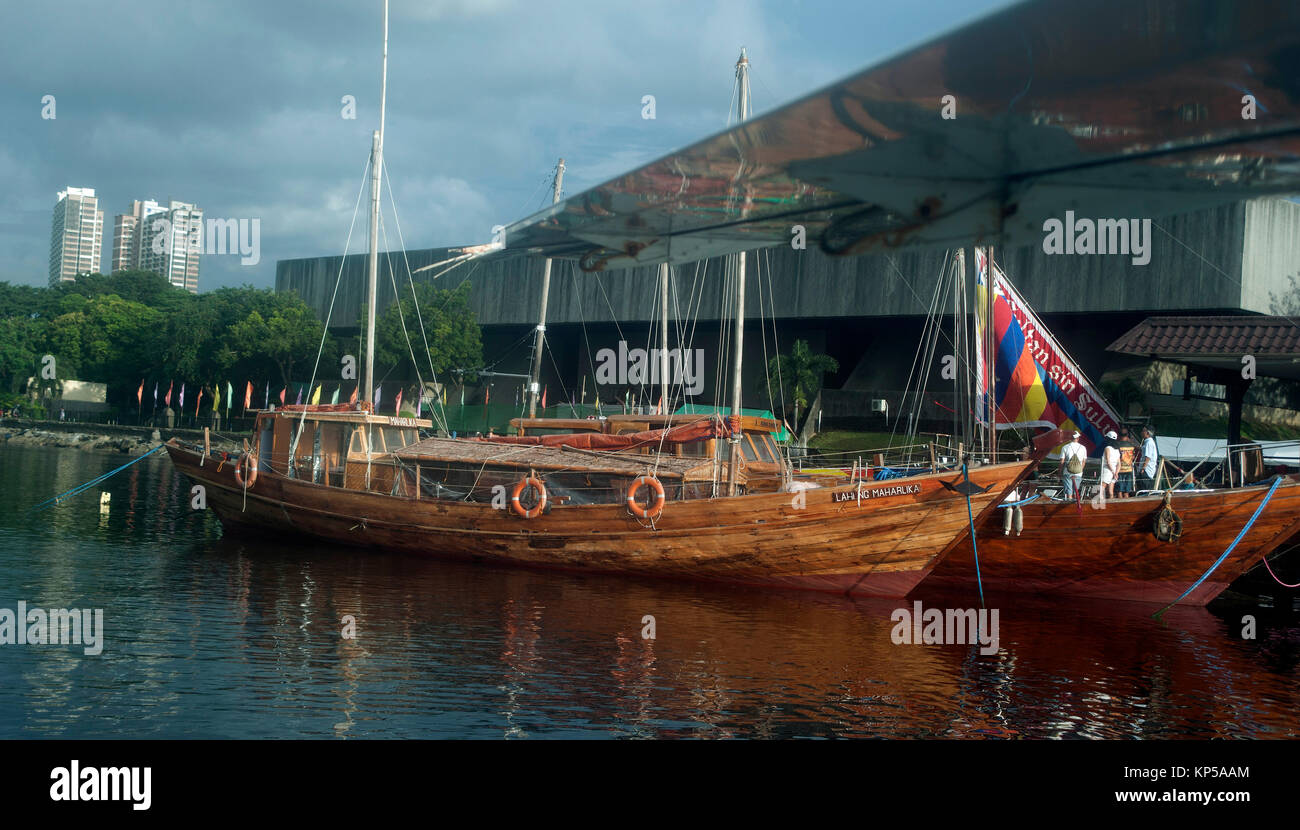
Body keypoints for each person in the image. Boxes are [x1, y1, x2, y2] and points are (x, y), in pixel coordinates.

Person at [1059, 430, 1087, 500]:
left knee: (1069, 492)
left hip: (1067, 472)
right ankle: (1075, 505)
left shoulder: (1065, 447)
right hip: (1078, 472)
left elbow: (1062, 461)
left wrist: (1060, 472)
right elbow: (1084, 461)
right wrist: (1080, 469)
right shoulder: (1083, 448)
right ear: (1077, 438)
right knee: (1076, 491)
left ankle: (1069, 502)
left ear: (1070, 438)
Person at [1116, 427, 1137, 498]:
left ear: (1118, 435)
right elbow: (1133, 456)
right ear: (1127, 435)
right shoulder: (1131, 445)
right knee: (1126, 492)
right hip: (1129, 468)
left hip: (1119, 469)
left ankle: (1119, 506)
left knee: (1119, 491)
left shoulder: (1117, 445)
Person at [1137, 426, 1158, 491]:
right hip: (1145, 469)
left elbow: (1148, 457)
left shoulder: (1149, 442)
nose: (1141, 432)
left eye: (1143, 431)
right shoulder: (1147, 442)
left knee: (1145, 489)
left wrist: (1143, 468)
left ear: (1148, 433)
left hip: (1146, 470)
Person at [1100, 430, 1120, 499]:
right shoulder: (1117, 450)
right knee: (1111, 491)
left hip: (1107, 470)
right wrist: (1116, 472)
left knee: (1101, 489)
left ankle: (1100, 505)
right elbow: (1119, 463)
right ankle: (1111, 504)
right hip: (1114, 470)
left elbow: (1108, 461)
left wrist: (1113, 472)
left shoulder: (1107, 448)